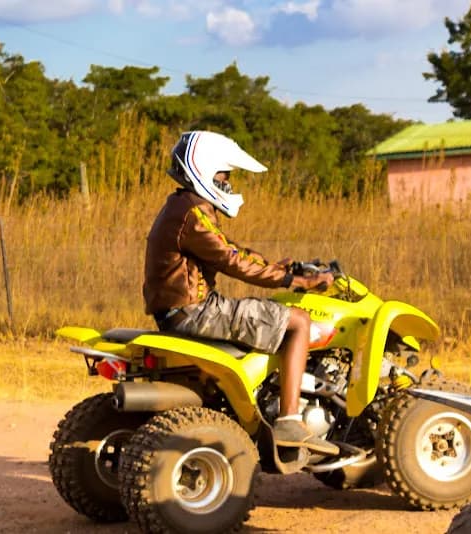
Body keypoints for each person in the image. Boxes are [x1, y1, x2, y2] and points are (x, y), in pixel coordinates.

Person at [143, 130, 339, 455]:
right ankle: (290, 420)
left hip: (178, 310)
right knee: (299, 322)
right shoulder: (193, 214)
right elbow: (233, 261)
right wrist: (296, 282)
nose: (228, 183)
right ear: (204, 170)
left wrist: (278, 267)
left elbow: (230, 250)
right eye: (224, 176)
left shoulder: (183, 207)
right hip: (196, 311)